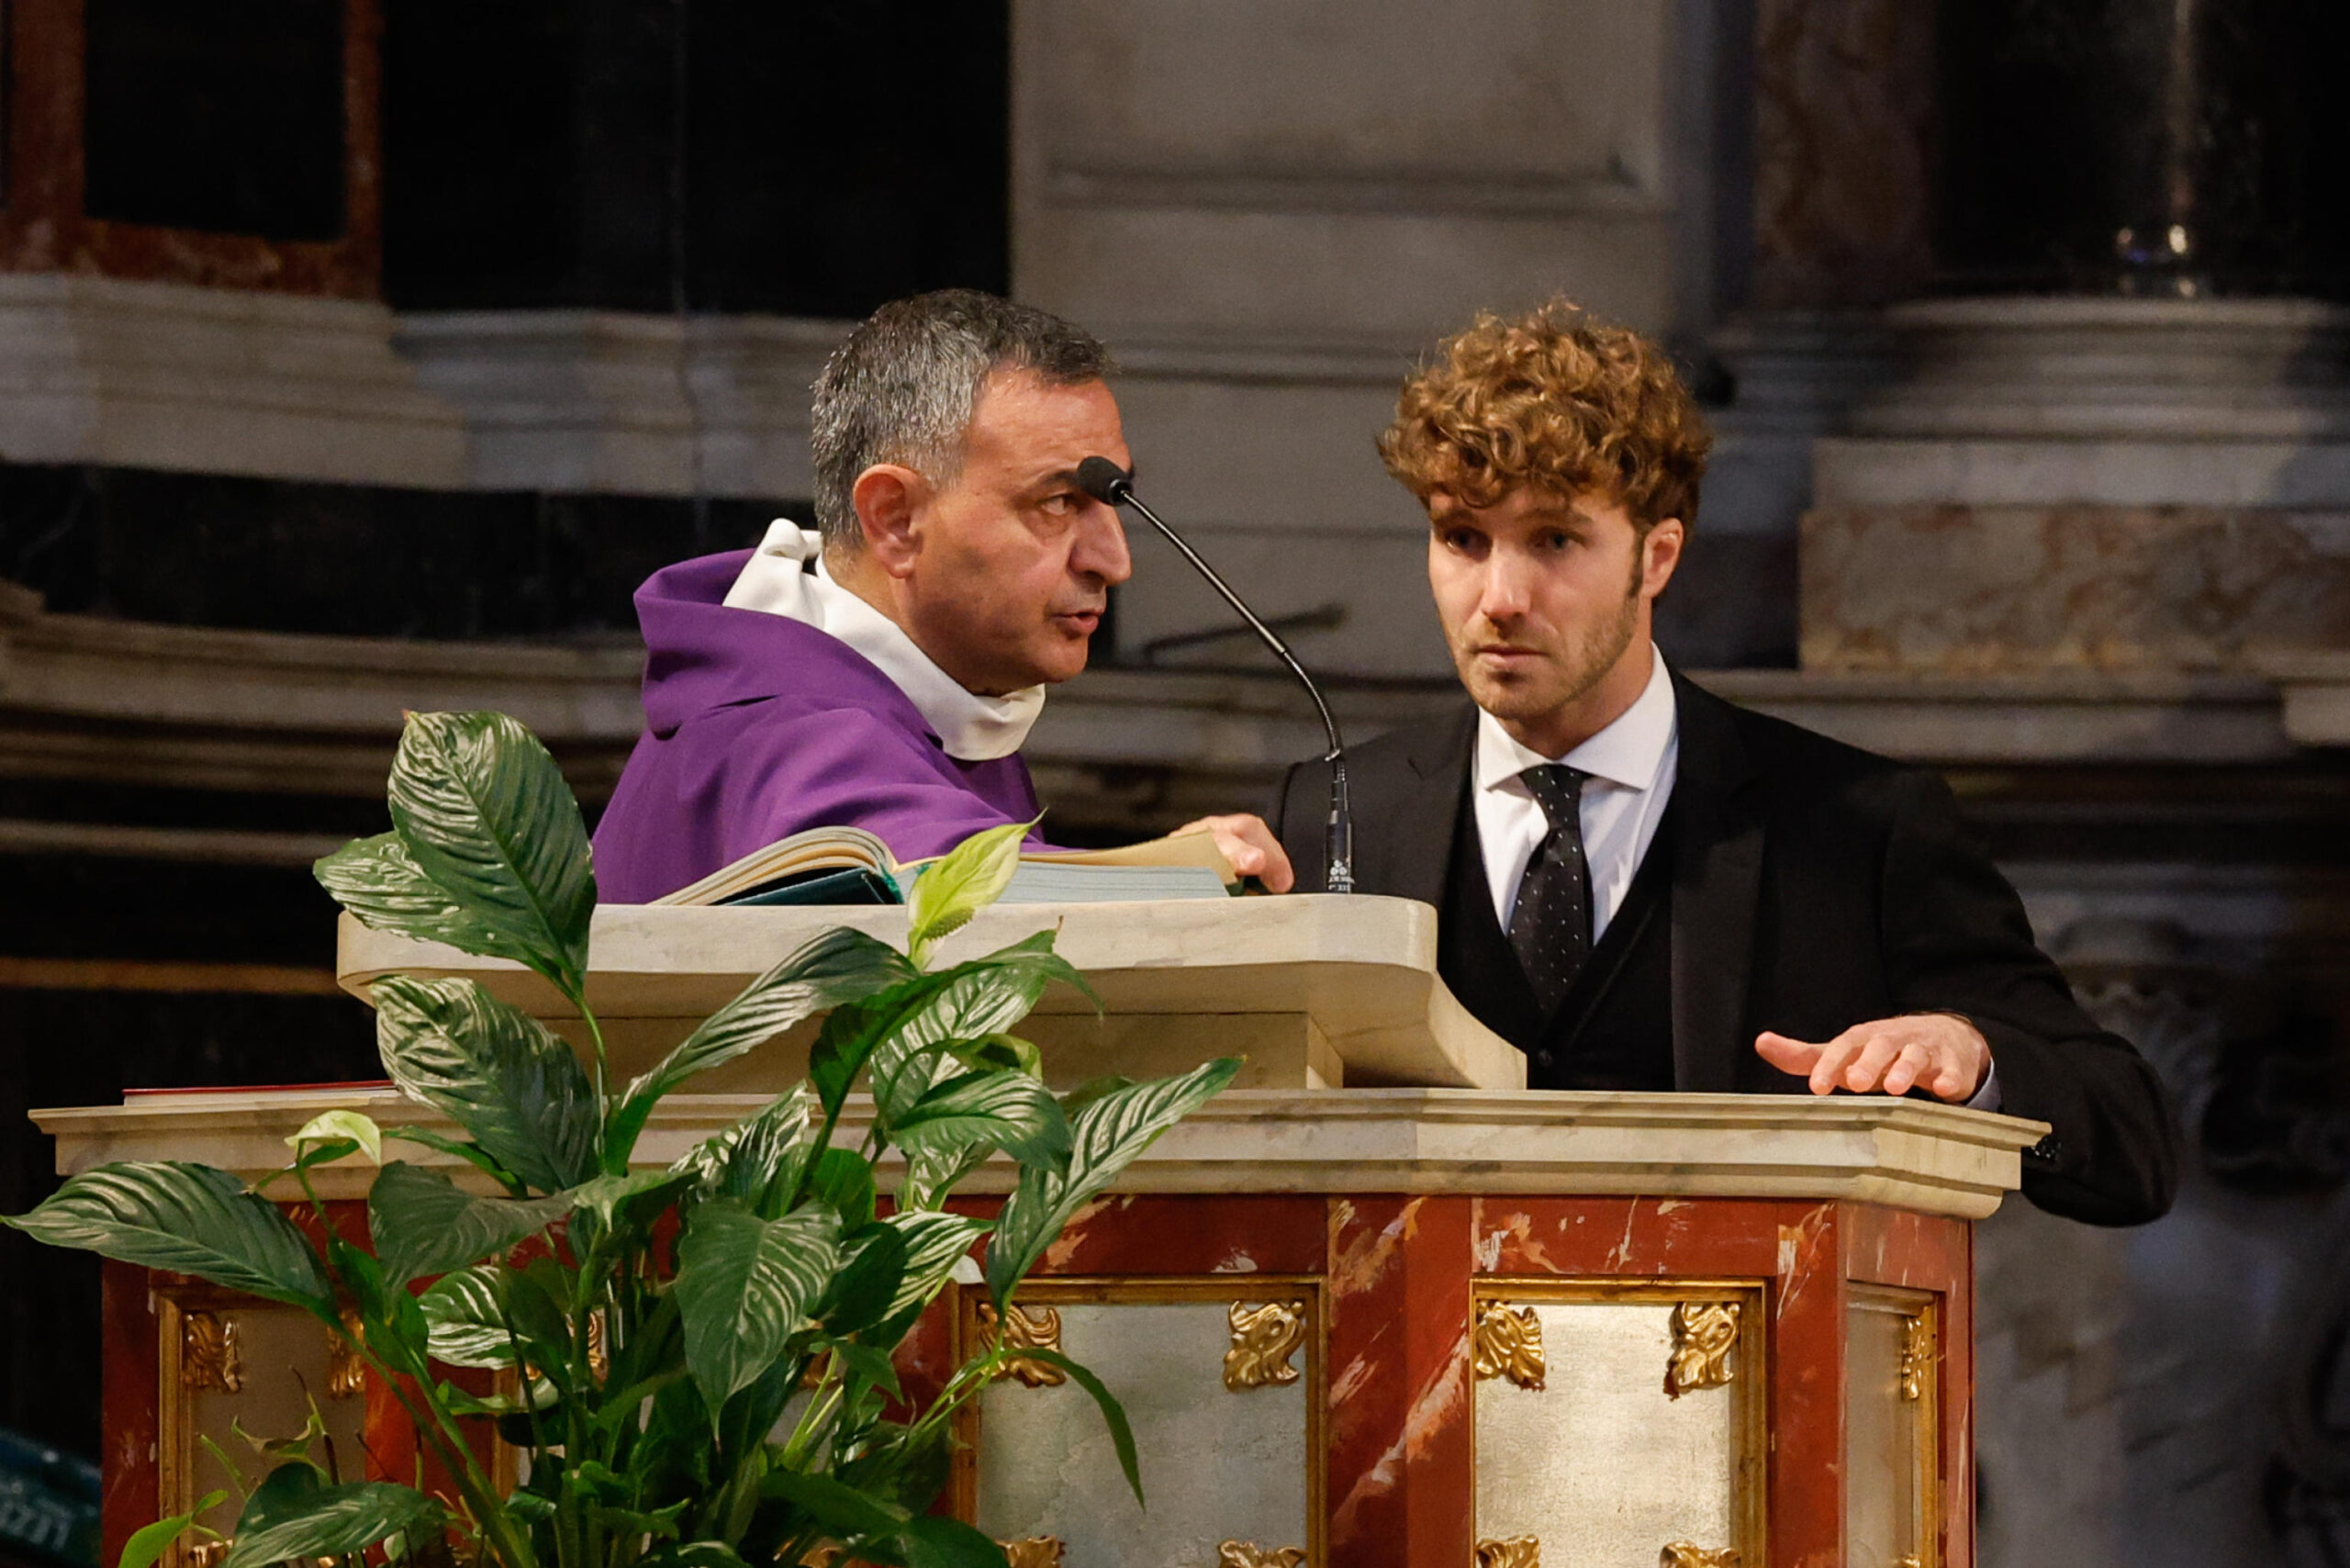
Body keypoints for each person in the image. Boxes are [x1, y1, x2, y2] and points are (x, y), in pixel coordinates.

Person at [1267, 300, 2178, 1226]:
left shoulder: (1859, 826)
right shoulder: (1334, 813)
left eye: (1554, 540)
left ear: (1656, 555)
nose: (1498, 597)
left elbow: (2131, 1141)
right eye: (1463, 537)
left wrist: (1975, 1055)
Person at [593, 289, 1290, 903]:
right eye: (1056, 502)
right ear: (895, 519)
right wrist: (1183, 877)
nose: (1115, 560)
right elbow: (939, 886)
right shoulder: (788, 731)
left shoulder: (932, 705)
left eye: (1112, 501)